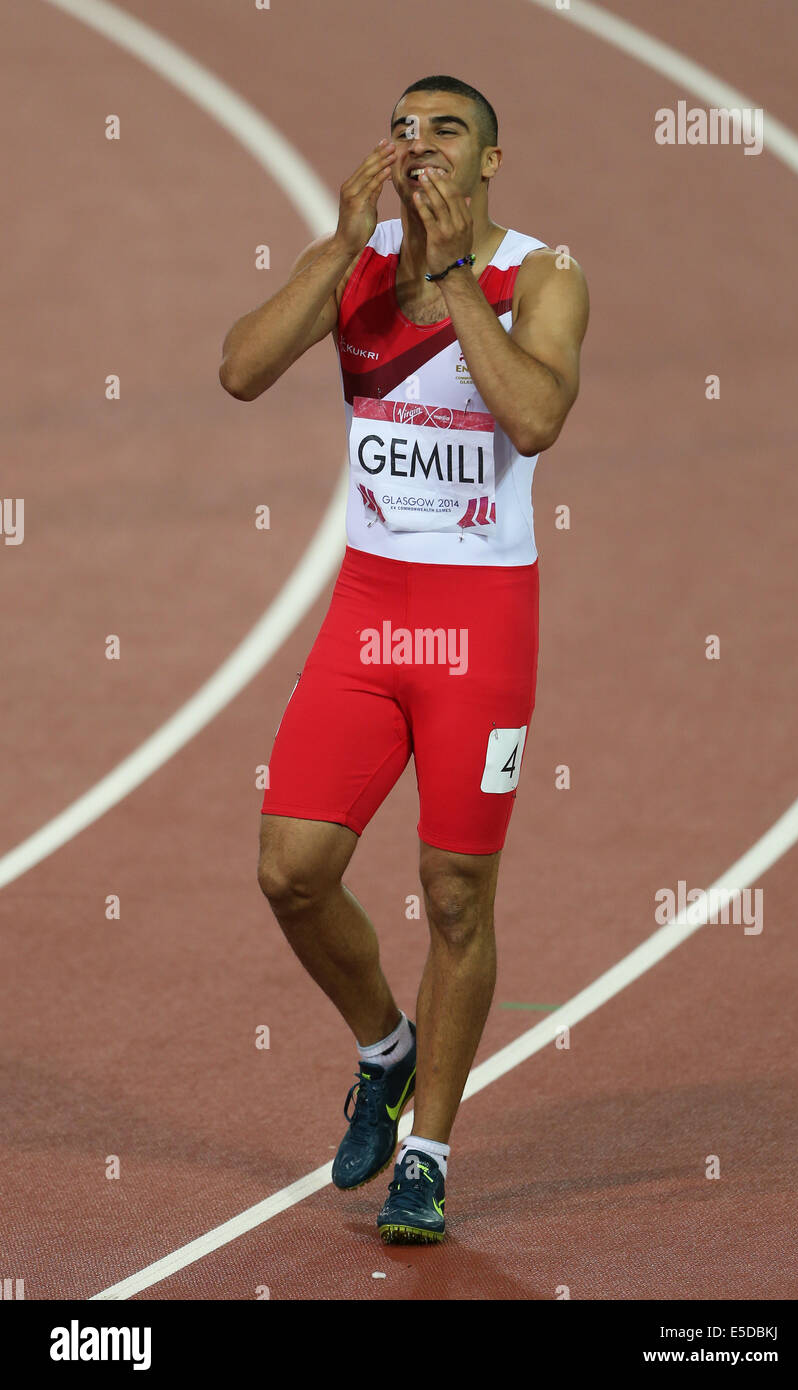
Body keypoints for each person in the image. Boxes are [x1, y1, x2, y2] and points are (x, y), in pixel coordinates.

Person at [219, 75, 589, 1244]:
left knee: (456, 895)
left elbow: (532, 417)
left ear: (491, 161)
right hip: (373, 608)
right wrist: (340, 252)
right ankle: (387, 1050)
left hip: (482, 619)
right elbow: (239, 368)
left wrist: (445, 281)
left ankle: (426, 1154)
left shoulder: (542, 274)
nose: (418, 146)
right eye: (404, 127)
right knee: (292, 869)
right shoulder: (356, 261)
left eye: (446, 132)